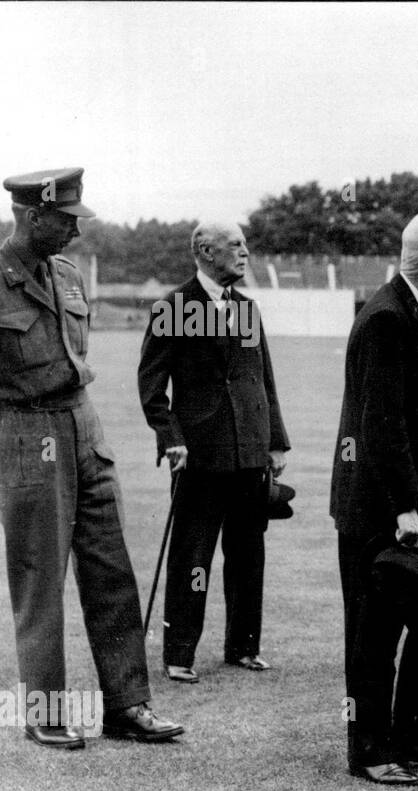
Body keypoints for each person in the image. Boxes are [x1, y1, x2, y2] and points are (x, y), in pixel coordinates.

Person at [0, 167, 183, 747]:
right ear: (32, 216)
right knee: (40, 577)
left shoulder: (69, 275)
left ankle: (128, 705)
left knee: (111, 570)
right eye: (65, 220)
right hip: (28, 432)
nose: (75, 232)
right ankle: (47, 712)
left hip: (85, 425)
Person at [330, 211, 418, 785]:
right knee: (374, 634)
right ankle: (370, 750)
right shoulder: (387, 318)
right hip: (381, 508)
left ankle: (417, 736)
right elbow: (379, 424)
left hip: (411, 501)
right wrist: (404, 507)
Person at [139, 221, 291, 682]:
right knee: (193, 556)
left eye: (246, 243)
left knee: (248, 553)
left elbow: (262, 377)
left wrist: (275, 440)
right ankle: (179, 653)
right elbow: (151, 383)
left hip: (249, 452)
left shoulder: (246, 308)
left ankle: (244, 647)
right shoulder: (175, 306)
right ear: (206, 251)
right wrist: (171, 438)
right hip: (200, 455)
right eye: (236, 245)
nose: (246, 252)